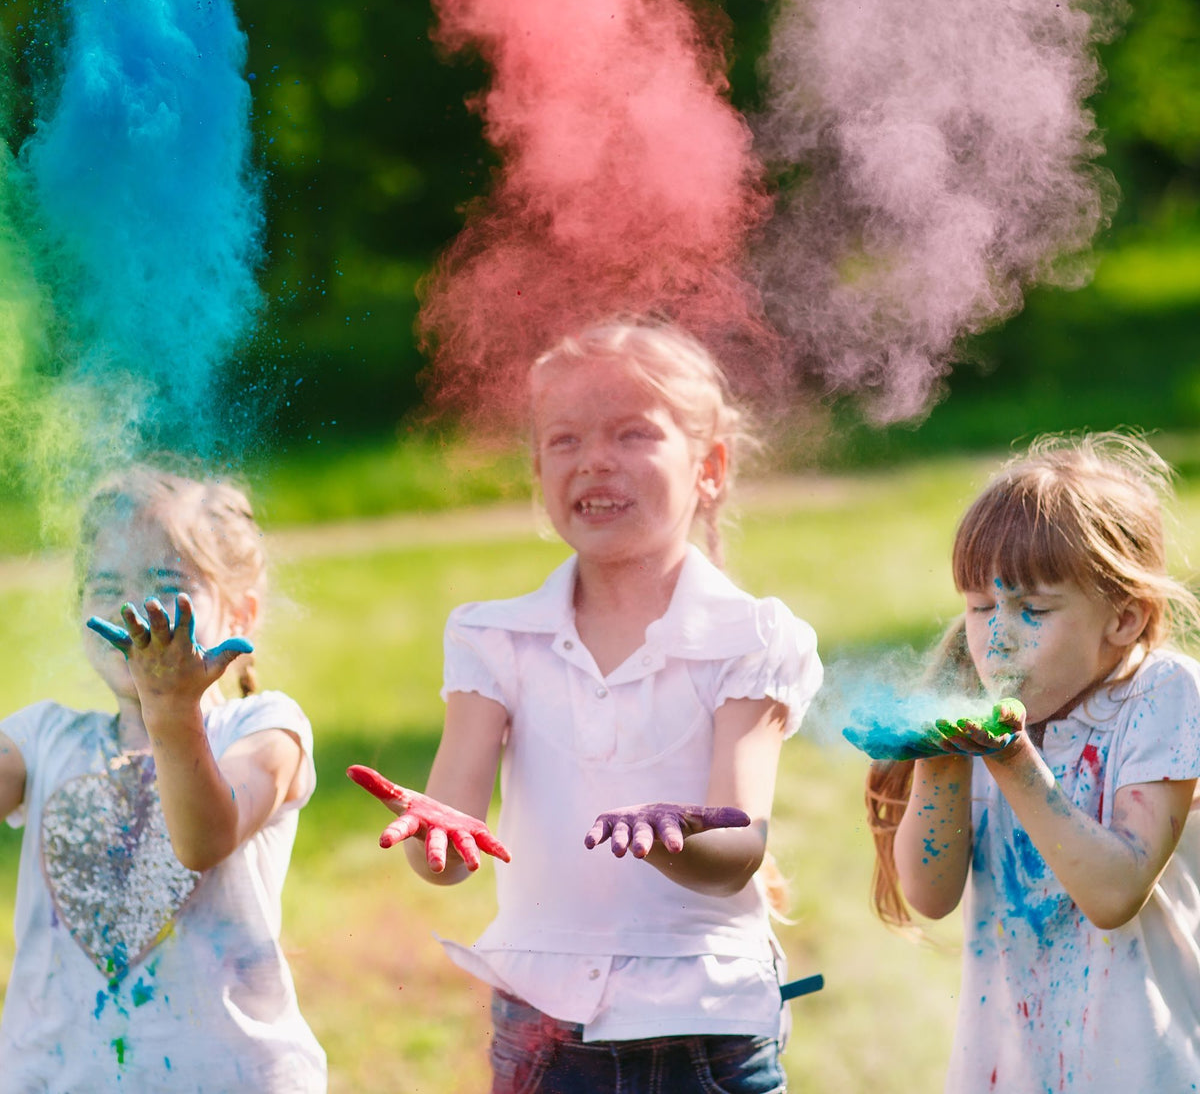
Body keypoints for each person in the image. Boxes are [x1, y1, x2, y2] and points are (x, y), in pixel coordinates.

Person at [351, 319, 823, 1093]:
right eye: (564, 440)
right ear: (538, 470)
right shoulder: (493, 637)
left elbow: (738, 851)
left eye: (633, 433)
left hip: (703, 1029)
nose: (595, 460)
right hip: (542, 1030)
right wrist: (434, 833)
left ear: (709, 467)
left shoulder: (753, 638)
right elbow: (448, 847)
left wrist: (667, 836)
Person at [866, 433, 1200, 1092]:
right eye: (981, 608)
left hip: (1146, 1072)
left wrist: (1012, 761)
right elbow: (929, 897)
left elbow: (1112, 894)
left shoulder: (1164, 695)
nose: (996, 637)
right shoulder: (980, 720)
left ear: (1123, 620)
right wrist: (942, 761)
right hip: (1009, 1072)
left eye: (1033, 610)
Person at [0, 466, 326, 1092]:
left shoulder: (264, 729)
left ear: (240, 613)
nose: (131, 608)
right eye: (105, 585)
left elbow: (204, 839)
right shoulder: (42, 739)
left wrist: (171, 711)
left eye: (165, 584)